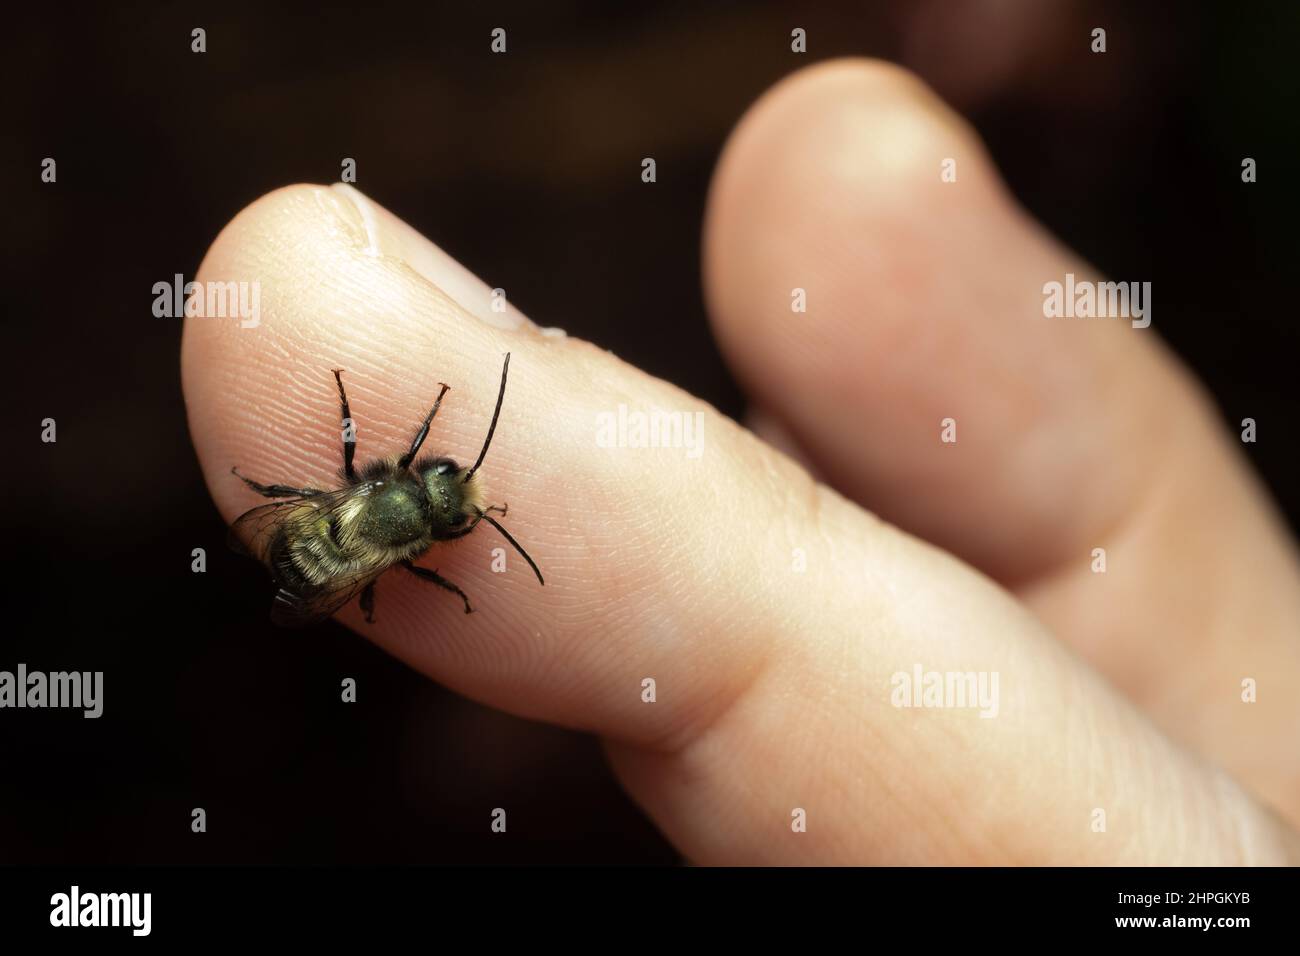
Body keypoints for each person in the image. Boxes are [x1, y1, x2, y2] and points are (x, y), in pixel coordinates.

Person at [183, 60, 1300, 865]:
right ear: (407, 505)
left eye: (443, 500)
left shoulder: (391, 517)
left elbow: (363, 511)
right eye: (437, 491)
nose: (437, 489)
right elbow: (384, 531)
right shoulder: (406, 524)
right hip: (320, 551)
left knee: (316, 513)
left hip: (316, 551)